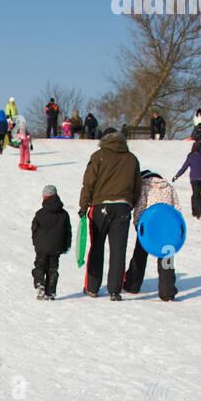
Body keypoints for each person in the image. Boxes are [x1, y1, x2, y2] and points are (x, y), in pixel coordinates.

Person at [78, 128, 142, 300]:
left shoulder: (98, 156)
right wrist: (130, 204)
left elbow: (88, 183)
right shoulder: (131, 159)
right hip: (122, 207)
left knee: (97, 247)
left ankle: (92, 287)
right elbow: (137, 187)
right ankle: (115, 290)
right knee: (118, 250)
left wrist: (83, 206)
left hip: (100, 207)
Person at [123, 170, 180, 302]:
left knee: (140, 255)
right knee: (167, 259)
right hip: (167, 229)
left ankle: (133, 285)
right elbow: (176, 209)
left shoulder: (144, 187)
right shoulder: (169, 187)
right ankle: (167, 291)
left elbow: (140, 209)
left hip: (149, 227)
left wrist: (138, 226)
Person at [31, 184, 72, 301]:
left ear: (44, 197)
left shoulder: (40, 213)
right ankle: (51, 291)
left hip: (42, 247)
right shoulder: (64, 214)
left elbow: (34, 228)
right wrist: (66, 245)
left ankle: (40, 284)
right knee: (52, 269)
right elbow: (68, 231)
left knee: (40, 266)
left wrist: (35, 242)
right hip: (56, 248)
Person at [173, 141, 201, 219]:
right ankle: (195, 212)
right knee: (195, 195)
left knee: (196, 196)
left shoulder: (191, 157)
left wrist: (176, 176)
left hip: (194, 179)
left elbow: (183, 168)